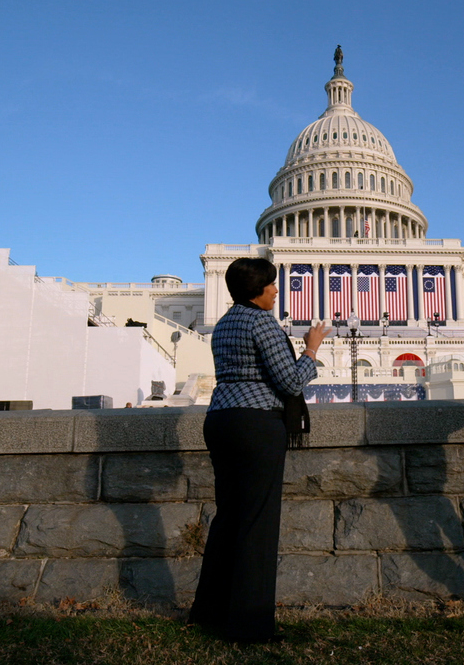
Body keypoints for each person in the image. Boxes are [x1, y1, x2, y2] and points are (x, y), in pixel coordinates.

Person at [189, 257, 330, 644]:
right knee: (257, 524)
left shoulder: (225, 324)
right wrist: (311, 350)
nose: (276, 290)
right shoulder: (261, 322)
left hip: (220, 419)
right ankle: (250, 627)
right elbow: (288, 381)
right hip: (255, 424)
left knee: (229, 518)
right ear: (257, 290)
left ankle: (209, 612)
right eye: (271, 285)